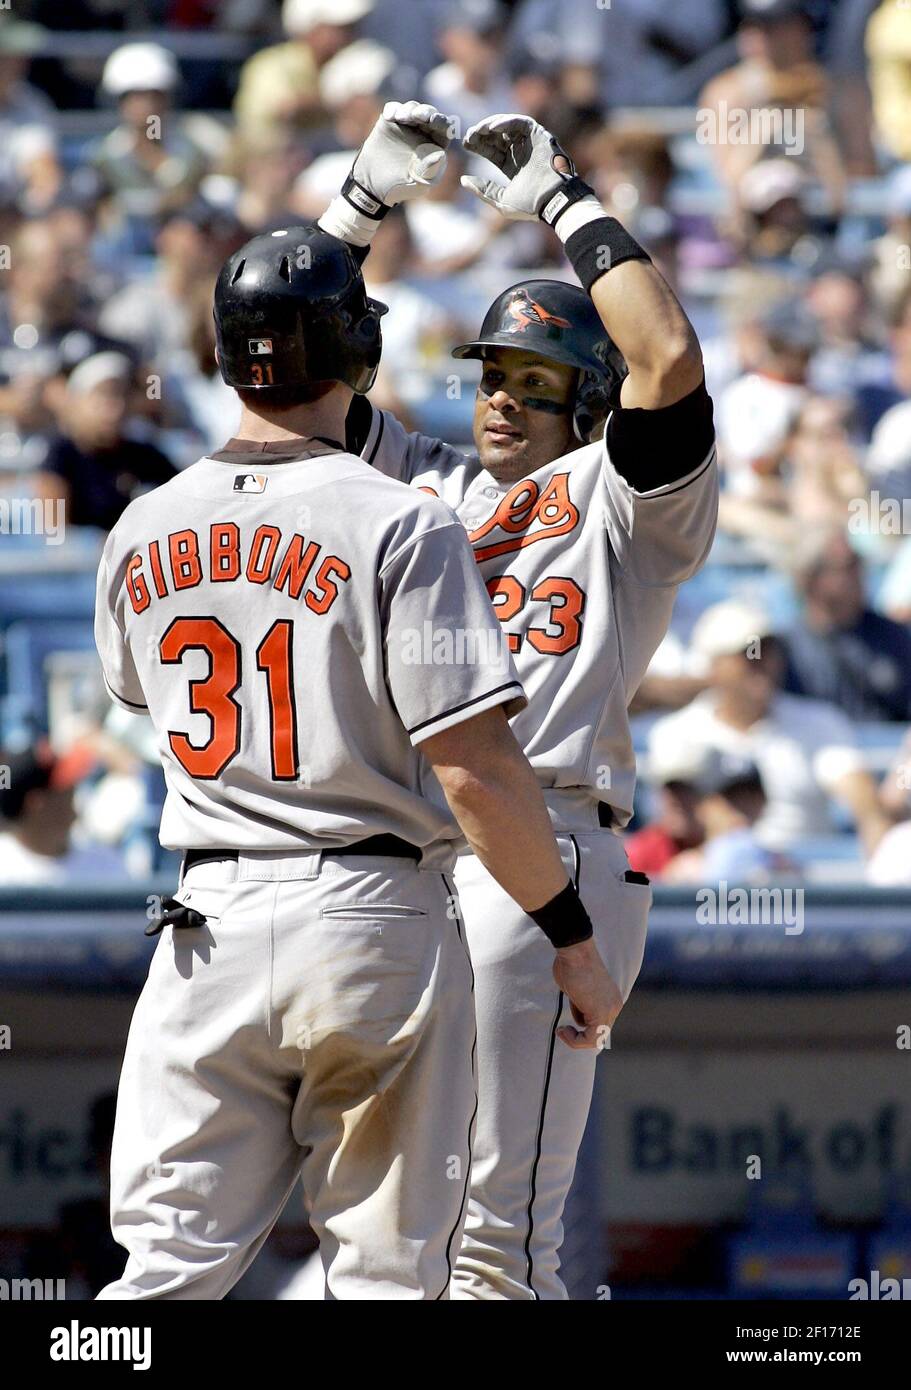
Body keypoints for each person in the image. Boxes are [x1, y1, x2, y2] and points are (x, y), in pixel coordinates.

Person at [93, 199, 622, 1300]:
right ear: (361, 351)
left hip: (205, 924)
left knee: (163, 1275)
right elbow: (473, 767)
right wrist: (568, 934)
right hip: (373, 914)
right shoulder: (399, 519)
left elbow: (140, 696)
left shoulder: (142, 523)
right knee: (386, 1275)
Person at [318, 102, 718, 1298]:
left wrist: (561, 198)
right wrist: (356, 214)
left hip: (538, 839)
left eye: (534, 380)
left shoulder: (620, 498)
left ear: (587, 404)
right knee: (391, 1227)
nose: (499, 398)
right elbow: (281, 362)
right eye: (491, 374)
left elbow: (667, 358)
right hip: (406, 859)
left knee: (498, 1235)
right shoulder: (424, 484)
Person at [649, 600, 891, 855]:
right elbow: (671, 830)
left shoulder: (819, 722)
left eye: (769, 649)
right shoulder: (675, 734)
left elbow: (862, 798)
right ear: (714, 666)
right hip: (714, 886)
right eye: (747, 653)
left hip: (809, 885)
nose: (761, 661)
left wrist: (879, 864)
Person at [36, 352, 176, 533]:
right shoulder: (60, 456)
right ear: (78, 401)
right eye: (103, 395)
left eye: (121, 394)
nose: (115, 407)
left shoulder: (147, 456)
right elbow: (53, 530)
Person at [782, 529, 911, 722]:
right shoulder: (787, 649)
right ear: (810, 578)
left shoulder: (897, 638)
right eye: (846, 566)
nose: (858, 574)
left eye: (858, 563)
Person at [0, 744, 126, 884]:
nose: (72, 789)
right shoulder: (4, 868)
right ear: (37, 804)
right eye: (64, 788)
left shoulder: (105, 862)